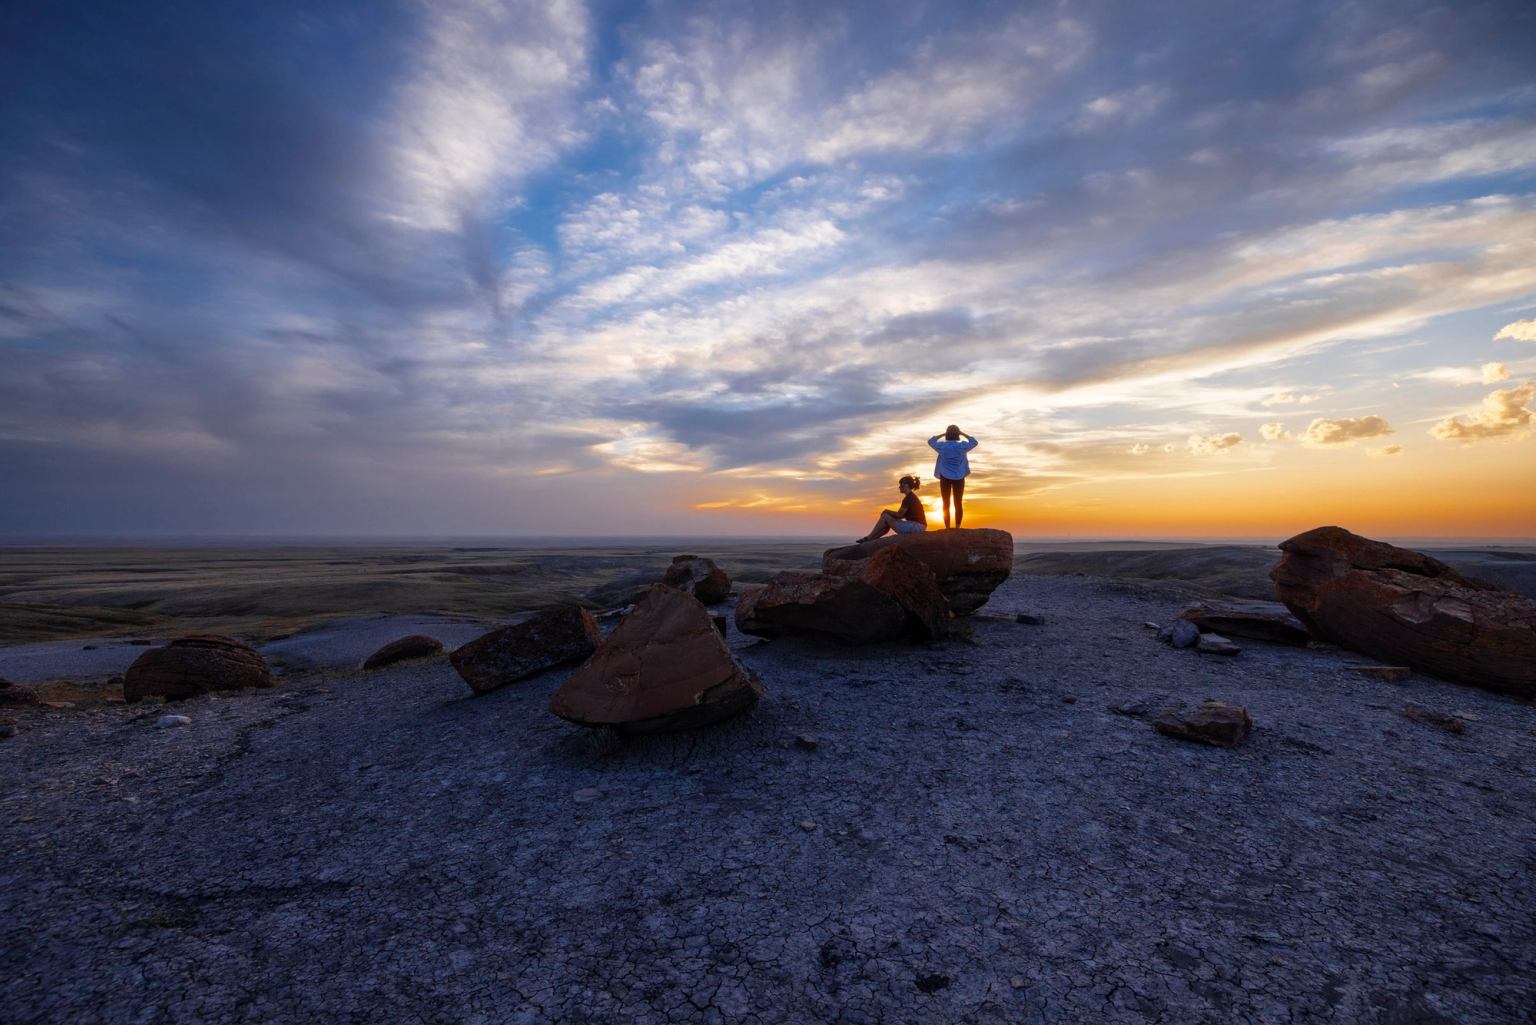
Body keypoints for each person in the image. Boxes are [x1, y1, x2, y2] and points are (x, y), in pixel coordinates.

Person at [928, 425, 978, 528]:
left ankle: (947, 527)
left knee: (945, 503)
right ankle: (957, 527)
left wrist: (943, 434)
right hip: (959, 476)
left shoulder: (942, 446)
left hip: (945, 477)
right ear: (957, 434)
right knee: (958, 503)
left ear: (947, 434)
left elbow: (931, 441)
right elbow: (974, 442)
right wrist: (962, 433)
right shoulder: (962, 446)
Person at [856, 475, 927, 542]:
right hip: (918, 526)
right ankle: (871, 539)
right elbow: (901, 515)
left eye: (901, 484)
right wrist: (889, 515)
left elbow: (899, 515)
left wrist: (887, 511)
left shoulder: (909, 498)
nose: (899, 487)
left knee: (885, 516)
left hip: (916, 527)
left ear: (907, 485)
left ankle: (869, 537)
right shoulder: (911, 497)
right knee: (886, 519)